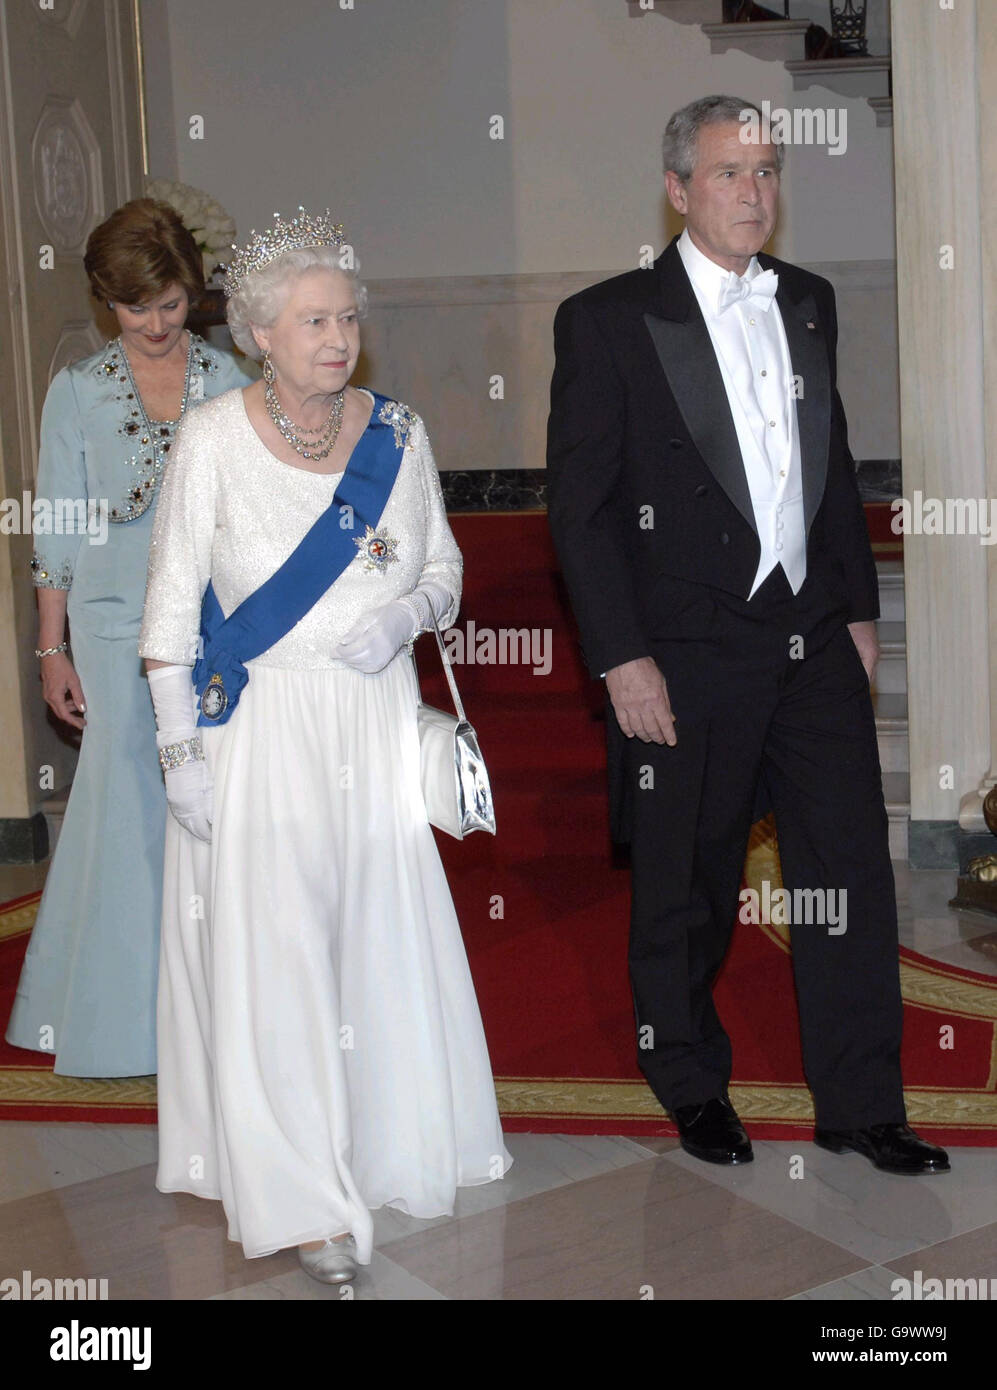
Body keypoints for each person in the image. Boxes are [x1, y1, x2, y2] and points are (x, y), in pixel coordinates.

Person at [546, 95, 949, 1177]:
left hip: (810, 638)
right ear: (677, 188)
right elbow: (578, 512)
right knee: (687, 882)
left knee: (849, 873)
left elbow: (827, 471)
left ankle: (862, 1103)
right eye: (729, 173)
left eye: (766, 170)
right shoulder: (607, 320)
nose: (754, 192)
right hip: (682, 652)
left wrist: (858, 613)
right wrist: (621, 659)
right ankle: (687, 1079)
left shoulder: (807, 302)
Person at [138, 208, 511, 1284]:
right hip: (261, 728)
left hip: (373, 716)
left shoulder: (396, 433)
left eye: (347, 317)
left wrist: (400, 619)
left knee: (374, 936)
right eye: (312, 320)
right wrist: (180, 754)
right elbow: (168, 621)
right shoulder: (210, 439)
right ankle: (300, 1192)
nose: (337, 337)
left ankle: (386, 1140)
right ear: (259, 333)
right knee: (282, 958)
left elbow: (441, 571)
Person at [5, 198, 251, 1077]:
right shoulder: (76, 392)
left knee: (207, 811)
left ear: (194, 292)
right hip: (110, 634)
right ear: (105, 301)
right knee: (124, 819)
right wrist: (50, 649)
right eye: (134, 305)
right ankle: (121, 1023)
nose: (155, 323)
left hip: (207, 627)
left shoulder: (230, 382)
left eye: (172, 303)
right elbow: (60, 528)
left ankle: (219, 1017)